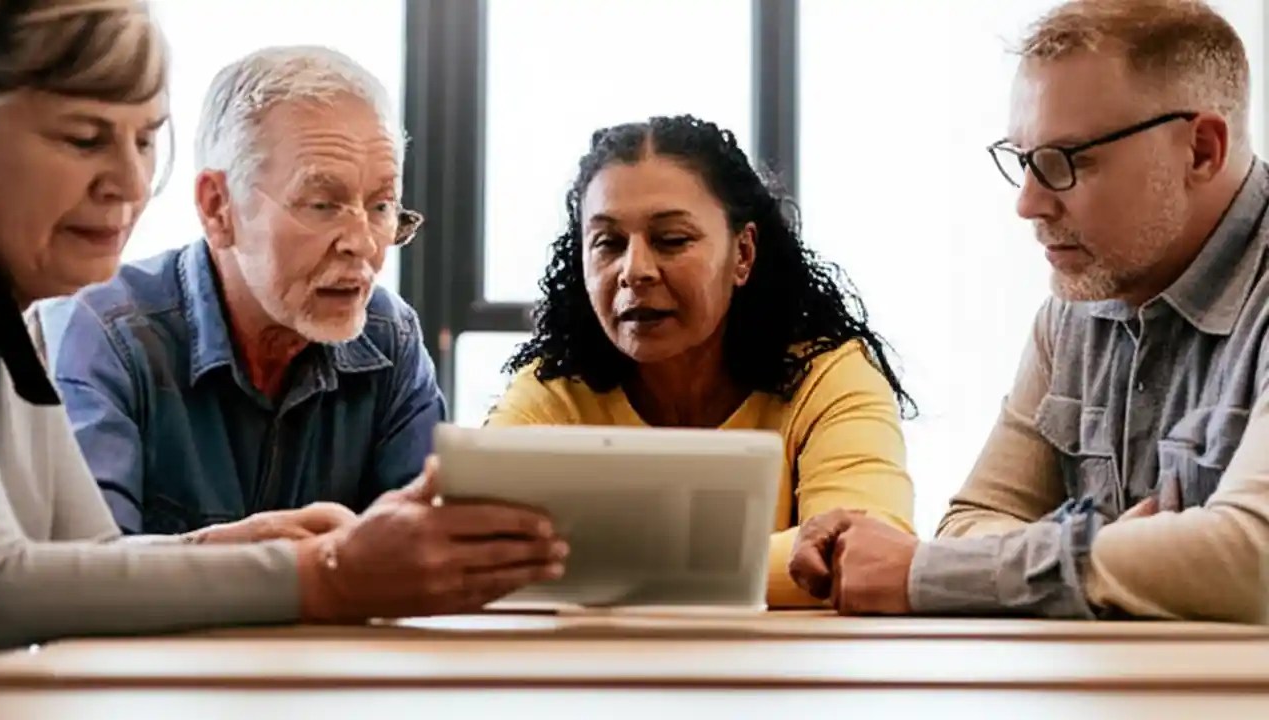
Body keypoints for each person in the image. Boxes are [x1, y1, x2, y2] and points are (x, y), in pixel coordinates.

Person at [0, 0, 564, 651]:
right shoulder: (104, 322)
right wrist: (324, 574)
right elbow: (3, 586)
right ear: (217, 207)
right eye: (85, 138)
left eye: (148, 140)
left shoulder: (23, 319)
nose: (132, 183)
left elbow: (82, 556)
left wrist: (222, 547)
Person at [789, 0, 1269, 623]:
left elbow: (1251, 560)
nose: (1028, 202)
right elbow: (967, 522)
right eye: (1024, 160)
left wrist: (930, 572)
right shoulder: (1076, 308)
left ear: (1201, 150)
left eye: (1068, 161)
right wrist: (1122, 558)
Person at [487, 114, 916, 607]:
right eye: (608, 243)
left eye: (672, 240)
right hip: (597, 678)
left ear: (744, 254)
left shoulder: (829, 377)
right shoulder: (553, 391)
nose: (635, 271)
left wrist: (597, 569)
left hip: (784, 679)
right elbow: (476, 553)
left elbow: (863, 557)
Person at [33, 44, 446, 537]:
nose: (362, 245)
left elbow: (426, 548)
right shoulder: (106, 332)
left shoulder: (389, 338)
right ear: (218, 207)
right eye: (321, 205)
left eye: (381, 207)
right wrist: (270, 566)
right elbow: (81, 575)